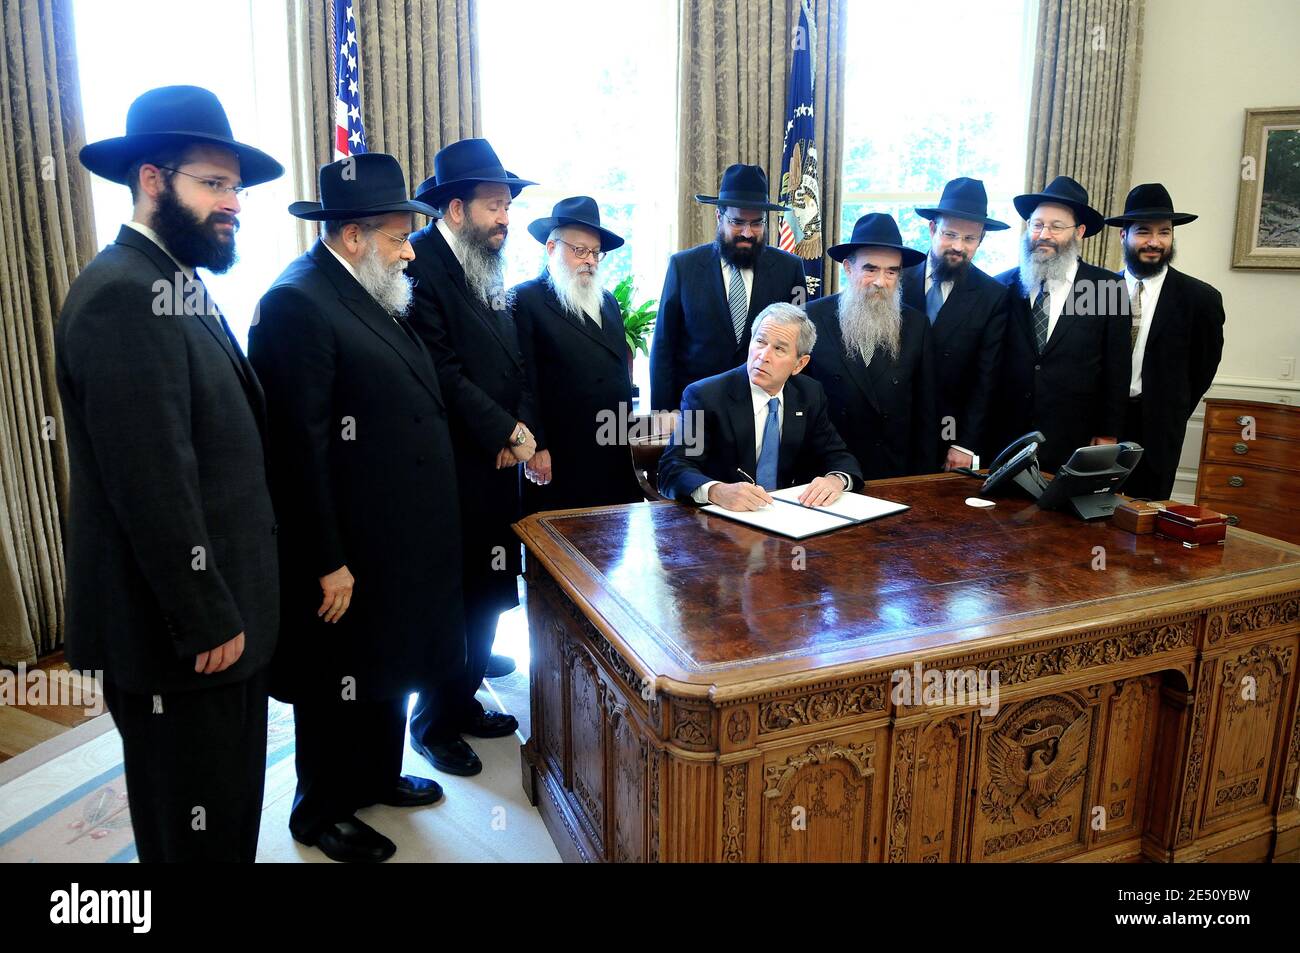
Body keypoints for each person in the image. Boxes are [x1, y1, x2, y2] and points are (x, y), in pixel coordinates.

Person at [56, 85, 283, 862]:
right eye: (213, 184)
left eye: (236, 188)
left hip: (216, 626)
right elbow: (149, 478)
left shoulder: (173, 279)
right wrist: (205, 613)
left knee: (223, 818)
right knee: (195, 831)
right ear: (153, 179)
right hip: (180, 638)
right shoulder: (124, 294)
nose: (235, 204)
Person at [248, 153, 460, 863]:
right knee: (337, 679)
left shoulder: (377, 288)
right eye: (400, 235)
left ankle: (375, 775)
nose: (410, 249)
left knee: (385, 664)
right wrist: (327, 558)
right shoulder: (295, 304)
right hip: (347, 547)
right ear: (351, 236)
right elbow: (296, 452)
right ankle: (320, 811)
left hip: (396, 541)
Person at [404, 138, 538, 777]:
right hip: (453, 467)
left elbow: (514, 361)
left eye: (508, 204)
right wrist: (505, 431)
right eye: (494, 205)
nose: (505, 217)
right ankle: (433, 723)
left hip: (499, 464)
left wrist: (524, 429)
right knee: (451, 600)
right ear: (455, 209)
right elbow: (440, 370)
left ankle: (463, 703)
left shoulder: (486, 263)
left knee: (487, 592)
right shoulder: (420, 265)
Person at [658, 302, 862, 508]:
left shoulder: (809, 395)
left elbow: (837, 455)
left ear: (800, 364)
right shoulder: (705, 396)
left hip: (790, 514)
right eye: (760, 342)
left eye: (779, 349)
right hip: (722, 521)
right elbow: (674, 469)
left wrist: (835, 480)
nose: (763, 356)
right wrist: (716, 491)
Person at [990, 175, 1130, 473]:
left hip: (1073, 437)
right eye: (1037, 224)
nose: (1044, 234)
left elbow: (1116, 369)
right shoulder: (1003, 286)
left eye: (1056, 226)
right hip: (1005, 436)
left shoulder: (1106, 288)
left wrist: (1108, 432)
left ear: (1078, 232)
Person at [514, 196, 644, 511]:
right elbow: (522, 382)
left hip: (612, 454)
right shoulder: (525, 300)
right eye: (579, 251)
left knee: (609, 553)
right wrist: (537, 448)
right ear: (551, 248)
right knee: (559, 553)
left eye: (596, 253)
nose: (590, 260)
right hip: (560, 458)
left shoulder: (609, 302)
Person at [649, 163, 807, 411]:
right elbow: (663, 347)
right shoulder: (683, 267)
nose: (748, 232)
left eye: (757, 223)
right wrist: (663, 412)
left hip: (763, 410)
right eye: (738, 222)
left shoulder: (790, 269)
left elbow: (798, 346)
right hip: (697, 408)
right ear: (719, 217)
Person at [1105, 183, 1225, 499]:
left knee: (1144, 522)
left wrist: (1171, 410)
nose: (1155, 242)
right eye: (1144, 231)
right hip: (1100, 426)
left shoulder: (1201, 299)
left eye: (1164, 232)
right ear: (1123, 235)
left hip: (1159, 429)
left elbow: (1203, 369)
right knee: (1086, 515)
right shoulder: (1098, 291)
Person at [804, 213, 939, 479]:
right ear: (848, 267)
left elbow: (927, 413)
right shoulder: (812, 317)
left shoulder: (916, 325)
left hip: (892, 470)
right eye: (870, 269)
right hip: (825, 470)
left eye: (891, 272)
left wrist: (926, 480)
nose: (881, 281)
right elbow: (799, 402)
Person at [902, 177, 1010, 466]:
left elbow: (986, 379)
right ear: (932, 229)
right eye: (950, 234)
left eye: (969, 239)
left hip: (948, 431)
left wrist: (965, 444)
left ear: (981, 240)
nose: (958, 246)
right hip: (893, 425)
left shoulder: (993, 296)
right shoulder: (895, 278)